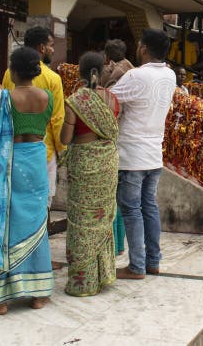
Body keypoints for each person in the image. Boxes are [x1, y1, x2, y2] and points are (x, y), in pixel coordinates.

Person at [0, 47, 54, 315]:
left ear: (13, 71)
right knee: (37, 225)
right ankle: (39, 294)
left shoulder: (0, 99)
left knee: (4, 224)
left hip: (9, 164)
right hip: (37, 164)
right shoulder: (48, 97)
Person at [111, 28, 175, 279]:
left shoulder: (135, 75)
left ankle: (137, 266)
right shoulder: (170, 75)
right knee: (149, 207)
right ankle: (152, 262)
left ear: (144, 48)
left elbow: (108, 100)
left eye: (139, 45)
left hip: (132, 155)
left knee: (131, 210)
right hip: (154, 154)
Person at [60, 52, 121, 296]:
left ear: (81, 73)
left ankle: (83, 283)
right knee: (102, 220)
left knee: (81, 222)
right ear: (100, 71)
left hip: (84, 165)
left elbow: (66, 139)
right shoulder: (113, 99)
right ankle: (103, 275)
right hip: (107, 164)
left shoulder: (75, 101)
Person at [1, 27, 65, 211]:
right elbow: (57, 119)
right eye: (51, 45)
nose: (53, 50)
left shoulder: (8, 74)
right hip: (43, 150)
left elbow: (3, 112)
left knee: (15, 203)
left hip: (13, 150)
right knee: (42, 202)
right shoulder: (52, 79)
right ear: (42, 48)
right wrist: (62, 151)